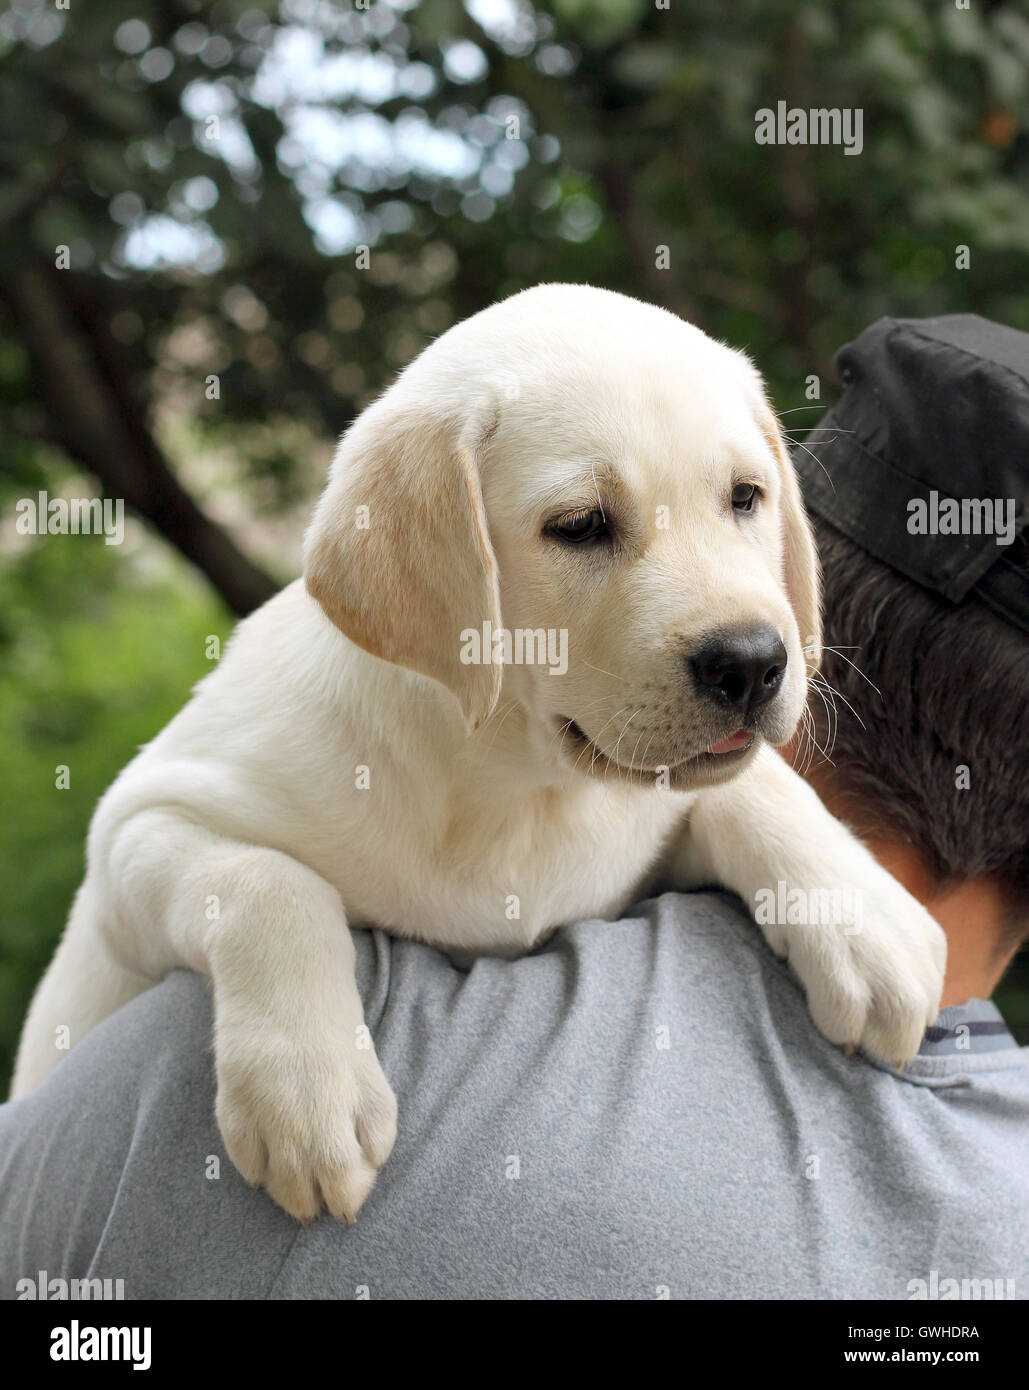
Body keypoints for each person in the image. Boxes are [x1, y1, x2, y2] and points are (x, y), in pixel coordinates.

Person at [1, 314, 1027, 1301]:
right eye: (585, 526)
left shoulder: (645, 770)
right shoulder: (304, 733)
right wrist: (264, 910)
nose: (739, 627)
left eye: (744, 499)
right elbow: (143, 839)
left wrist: (774, 822)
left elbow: (687, 804)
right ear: (437, 570)